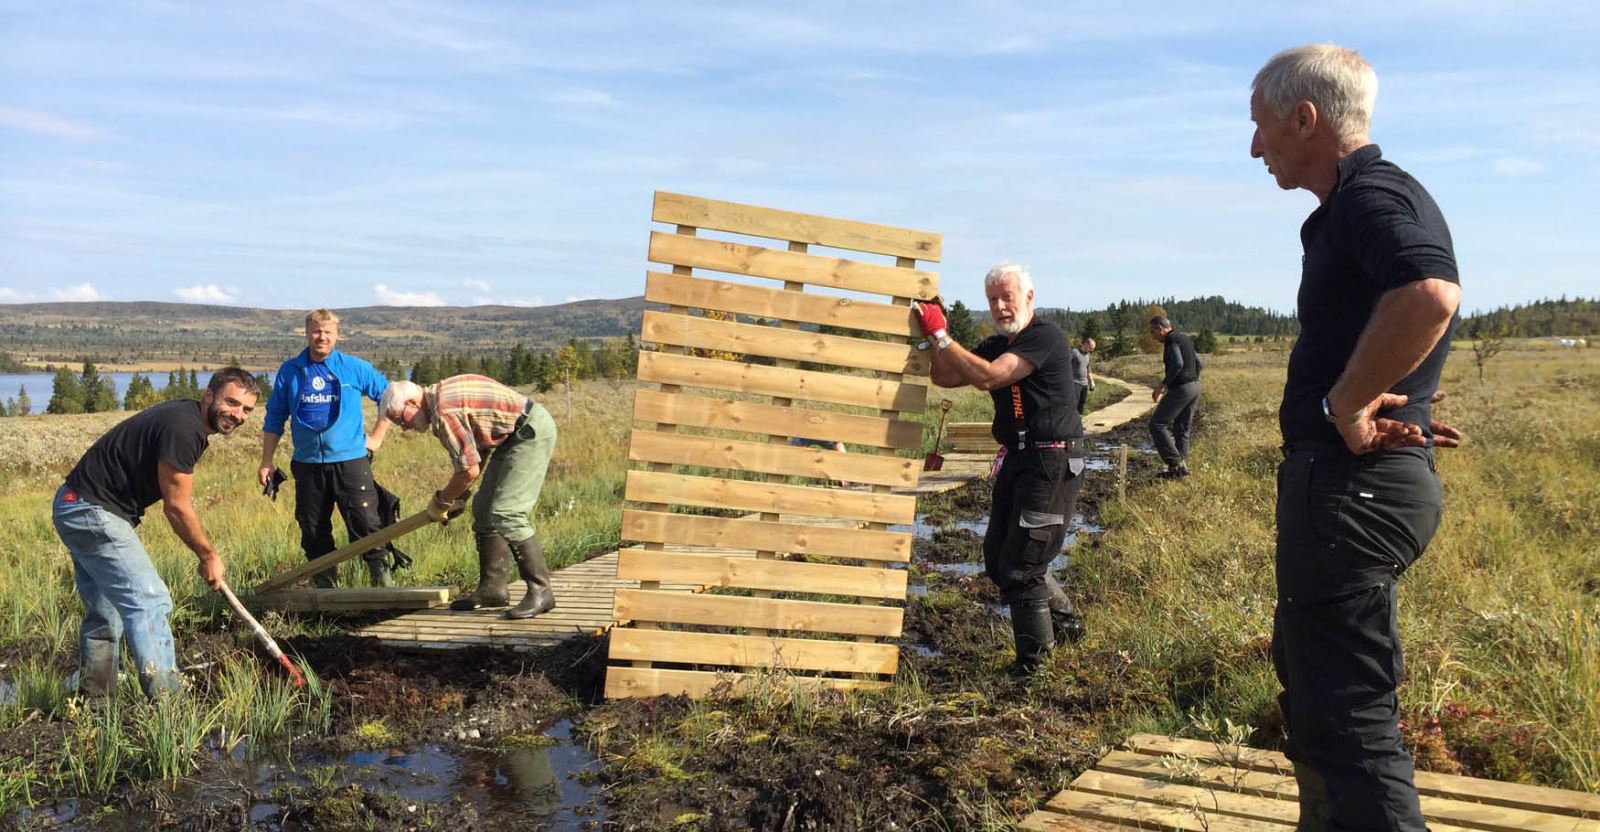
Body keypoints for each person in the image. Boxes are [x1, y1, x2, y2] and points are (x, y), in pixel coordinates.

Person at [1251, 44, 1463, 830]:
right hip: (1361, 486)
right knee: (1322, 692)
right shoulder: (1374, 197)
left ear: (1305, 119)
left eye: (1261, 125)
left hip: (1351, 485)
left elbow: (1429, 292)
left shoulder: (1369, 197)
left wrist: (1348, 403)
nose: (1254, 147)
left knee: (1346, 712)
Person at [914, 262, 1086, 677]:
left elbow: (991, 378)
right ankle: (1066, 627)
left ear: (1029, 296)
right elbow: (944, 375)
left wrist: (941, 333)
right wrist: (931, 341)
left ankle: (1035, 667)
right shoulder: (996, 343)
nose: (999, 306)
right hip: (1019, 459)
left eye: (1007, 296)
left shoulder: (1044, 337)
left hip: (1052, 459)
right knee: (997, 560)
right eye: (992, 299)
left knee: (1022, 565)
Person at [52, 368, 259, 698]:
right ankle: (167, 702)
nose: (238, 414)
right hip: (92, 511)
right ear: (209, 396)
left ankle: (95, 698)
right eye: (231, 403)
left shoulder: (188, 420)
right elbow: (176, 506)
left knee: (106, 609)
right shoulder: (185, 428)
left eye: (246, 409)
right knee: (149, 601)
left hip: (76, 505)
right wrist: (208, 555)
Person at [379, 375, 558, 619]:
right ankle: (492, 589)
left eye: (401, 420)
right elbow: (478, 451)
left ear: (411, 403)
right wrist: (460, 496)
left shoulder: (442, 411)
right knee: (484, 510)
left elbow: (468, 469)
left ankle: (541, 590)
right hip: (512, 436)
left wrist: (441, 501)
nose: (405, 427)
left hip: (529, 432)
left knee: (508, 513)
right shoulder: (439, 399)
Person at [258, 309, 393, 588]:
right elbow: (274, 416)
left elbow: (391, 396)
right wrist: (266, 461)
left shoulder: (354, 367)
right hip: (307, 464)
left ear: (337, 335)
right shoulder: (290, 371)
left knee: (366, 522)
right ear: (307, 333)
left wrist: (377, 436)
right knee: (313, 528)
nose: (322, 337)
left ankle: (383, 586)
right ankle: (326, 590)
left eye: (328, 332)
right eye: (317, 331)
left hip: (351, 461)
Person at [1147, 316, 1200, 478]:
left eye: (1152, 331)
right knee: (1182, 429)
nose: (1152, 335)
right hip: (1195, 387)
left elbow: (1177, 364)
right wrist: (1192, 379)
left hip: (1182, 388)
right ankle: (1180, 469)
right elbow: (1199, 364)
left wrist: (1162, 386)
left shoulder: (1171, 340)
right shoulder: (1185, 339)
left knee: (1157, 424)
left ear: (1161, 328)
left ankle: (1175, 463)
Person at [1071, 338, 1096, 415]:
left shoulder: (1087, 356)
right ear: (1086, 344)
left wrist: (1091, 381)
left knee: (1081, 404)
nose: (1091, 350)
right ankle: (1072, 424)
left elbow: (1088, 369)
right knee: (1074, 404)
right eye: (1090, 348)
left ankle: (1079, 424)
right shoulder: (1075, 352)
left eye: (1092, 349)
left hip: (1084, 384)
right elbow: (1065, 365)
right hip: (1075, 382)